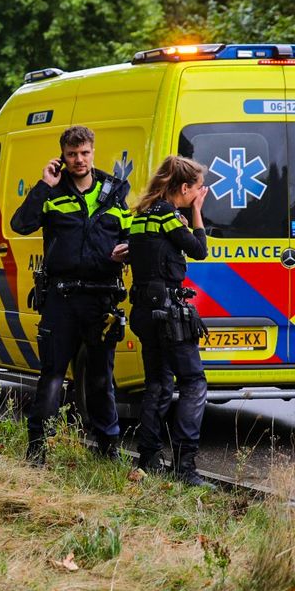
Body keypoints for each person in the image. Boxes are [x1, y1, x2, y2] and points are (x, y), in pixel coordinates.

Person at [11, 125, 132, 463]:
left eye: (84, 153)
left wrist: (128, 250)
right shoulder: (53, 193)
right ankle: (37, 450)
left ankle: (109, 451)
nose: (79, 159)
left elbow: (130, 235)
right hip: (61, 299)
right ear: (62, 156)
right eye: (72, 154)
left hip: (101, 300)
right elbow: (21, 224)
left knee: (100, 379)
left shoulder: (114, 193)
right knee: (52, 376)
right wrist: (43, 186)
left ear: (93, 152)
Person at [127, 155, 212, 487]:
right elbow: (198, 249)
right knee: (193, 382)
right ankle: (185, 467)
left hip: (144, 311)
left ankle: (148, 460)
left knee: (158, 384)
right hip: (169, 313)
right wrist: (197, 213)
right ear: (185, 187)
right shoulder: (168, 215)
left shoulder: (141, 215)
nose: (200, 193)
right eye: (198, 188)